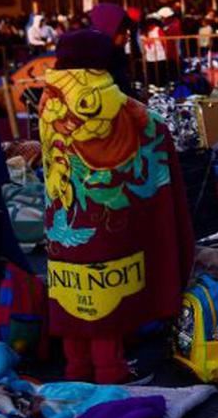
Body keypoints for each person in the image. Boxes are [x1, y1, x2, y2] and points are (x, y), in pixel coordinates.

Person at [39, 29, 194, 384]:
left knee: (72, 294)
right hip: (105, 220)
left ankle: (76, 369)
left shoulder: (49, 98)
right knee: (105, 298)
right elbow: (155, 131)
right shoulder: (108, 97)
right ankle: (111, 371)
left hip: (65, 215)